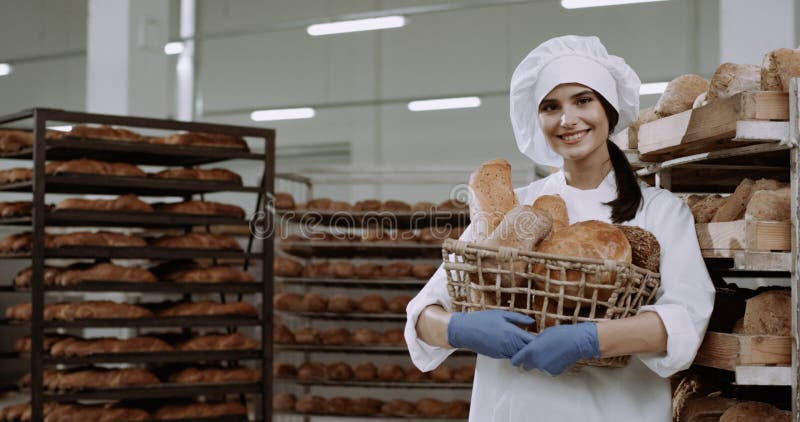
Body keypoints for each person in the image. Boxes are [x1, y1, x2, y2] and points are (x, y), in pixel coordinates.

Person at [404, 35, 716, 421]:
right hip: (513, 409)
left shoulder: (661, 212)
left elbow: (684, 321)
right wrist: (460, 328)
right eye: (551, 107)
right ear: (538, 120)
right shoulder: (513, 211)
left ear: (608, 108)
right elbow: (421, 316)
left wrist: (592, 339)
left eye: (583, 100)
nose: (567, 119)